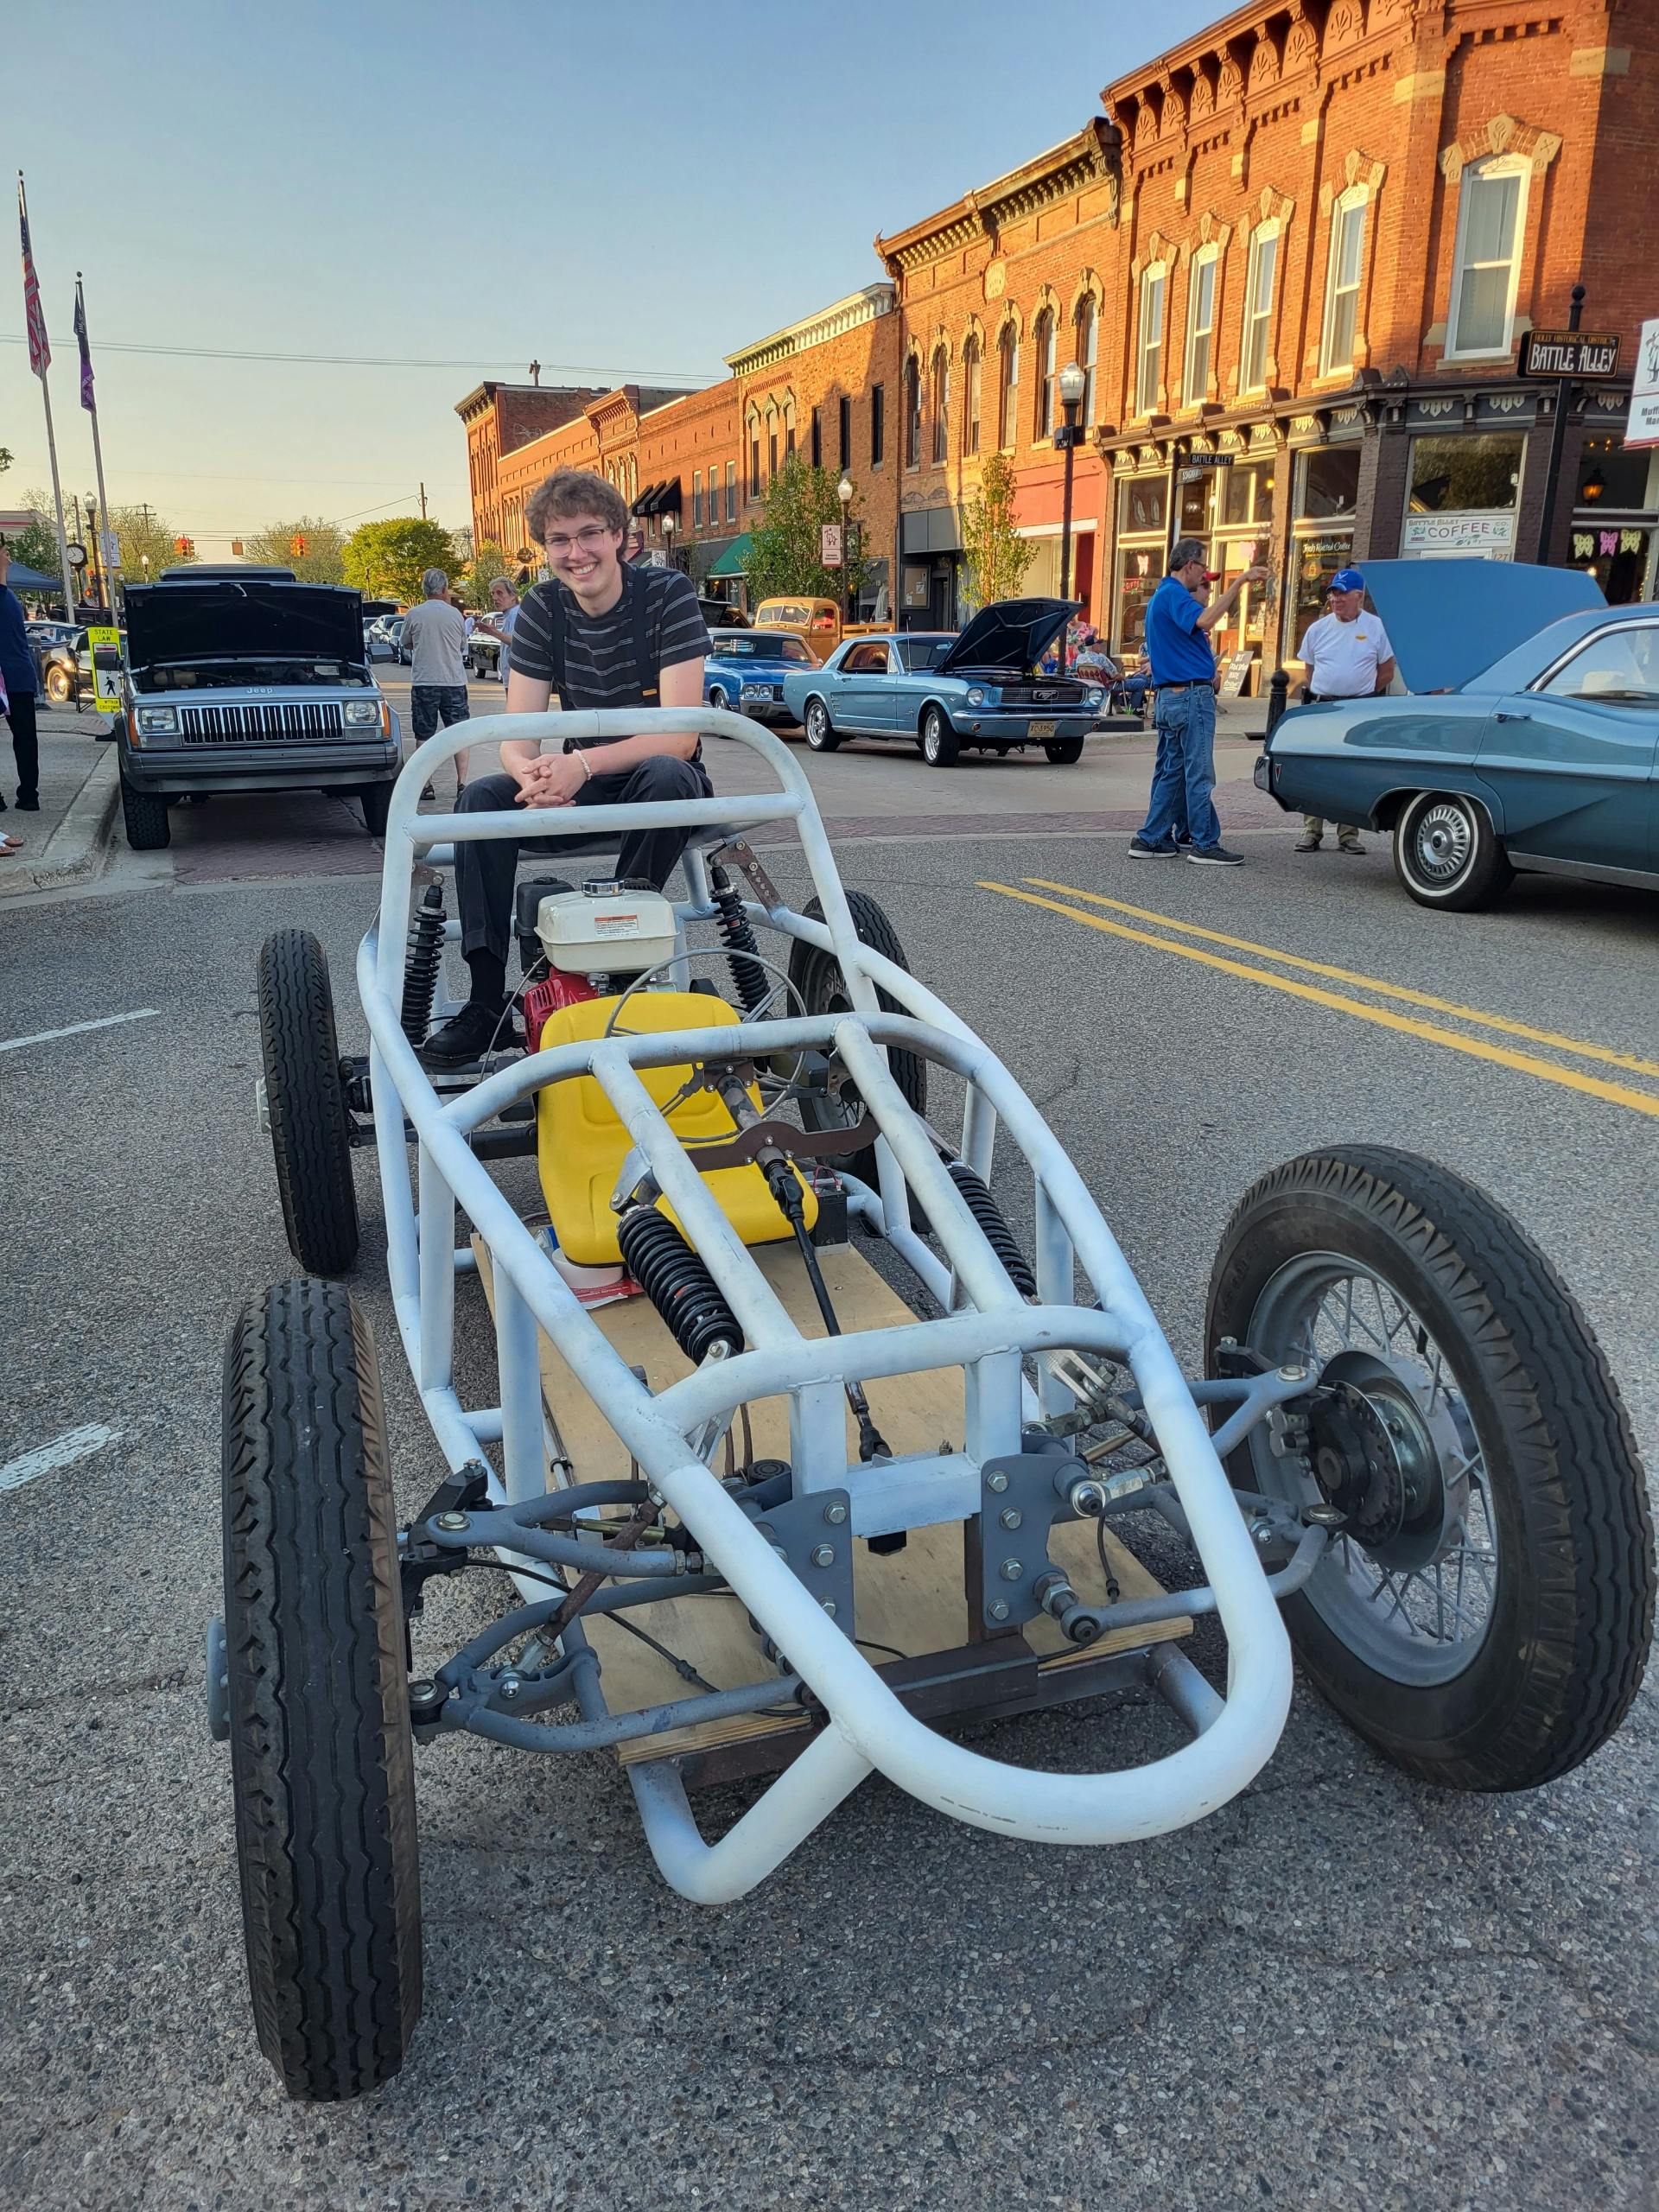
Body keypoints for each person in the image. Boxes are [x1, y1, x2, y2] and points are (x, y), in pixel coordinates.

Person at [422, 467, 710, 1065]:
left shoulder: (667, 595)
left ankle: (617, 967)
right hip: (582, 783)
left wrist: (580, 762)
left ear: (622, 539)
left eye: (591, 534)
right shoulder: (543, 606)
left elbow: (680, 737)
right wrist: (530, 772)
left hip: (652, 781)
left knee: (670, 776)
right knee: (479, 800)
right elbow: (514, 730)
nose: (576, 553)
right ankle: (485, 1003)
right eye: (560, 541)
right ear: (545, 549)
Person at [1129, 540, 1266, 866]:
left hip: (1170, 696)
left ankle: (1152, 837)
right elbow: (1206, 620)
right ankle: (1204, 842)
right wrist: (1239, 583)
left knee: (1171, 771)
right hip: (1190, 697)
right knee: (1198, 773)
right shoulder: (1175, 594)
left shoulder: (1161, 597)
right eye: (1203, 568)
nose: (1204, 576)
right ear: (1190, 565)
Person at [1293, 569, 1395, 854]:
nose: (1335, 599)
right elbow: (1309, 669)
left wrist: (1361, 690)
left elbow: (1386, 671)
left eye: (1342, 593)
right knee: (1317, 767)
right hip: (1325, 705)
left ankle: (1348, 833)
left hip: (1359, 706)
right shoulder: (1318, 629)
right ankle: (1311, 830)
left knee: (1352, 769)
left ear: (1358, 596)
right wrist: (1324, 689)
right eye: (1333, 593)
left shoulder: (1376, 627)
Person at [403, 567, 473, 791]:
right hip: (454, 681)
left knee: (424, 734)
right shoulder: (456, 615)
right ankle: (462, 782)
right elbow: (462, 646)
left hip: (425, 681)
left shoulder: (414, 614)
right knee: (459, 733)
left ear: (425, 589)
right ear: (444, 589)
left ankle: (427, 784)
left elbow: (405, 642)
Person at [0, 543, 41, 814]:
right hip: (9, 675)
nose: (9, 556)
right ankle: (27, 795)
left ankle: (29, 794)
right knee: (25, 738)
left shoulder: (9, 595)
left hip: (17, 675)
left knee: (26, 738)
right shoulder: (5, 595)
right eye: (4, 551)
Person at [473, 575, 521, 685]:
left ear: (513, 596)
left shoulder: (515, 614)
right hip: (513, 677)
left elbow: (518, 642)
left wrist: (493, 632)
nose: (494, 598)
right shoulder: (509, 615)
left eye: (500, 593)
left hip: (518, 680)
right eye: (493, 594)